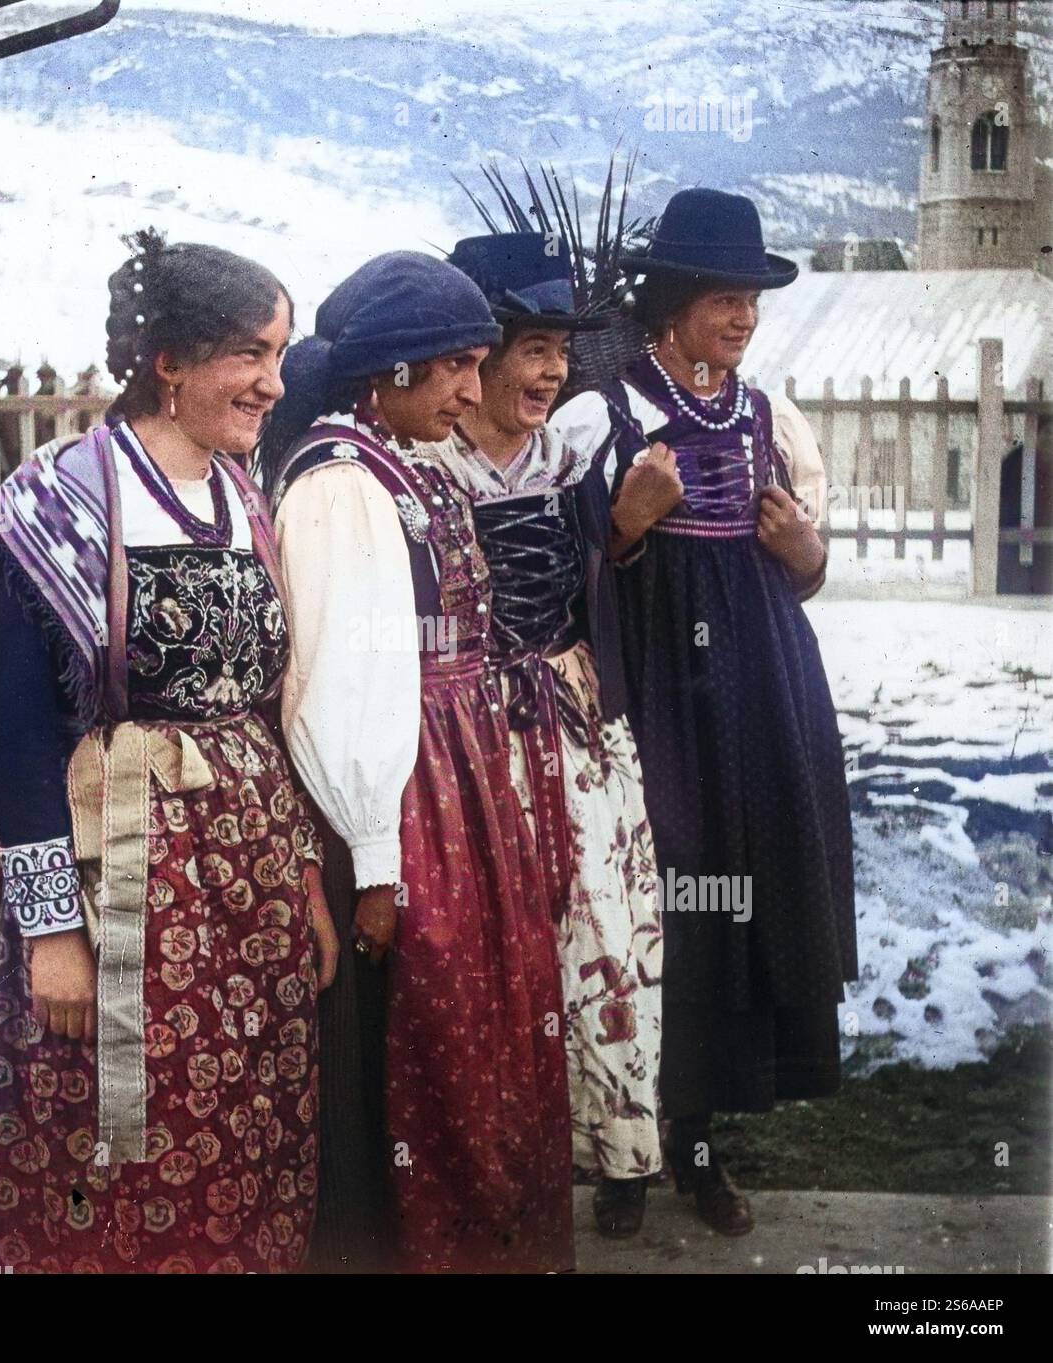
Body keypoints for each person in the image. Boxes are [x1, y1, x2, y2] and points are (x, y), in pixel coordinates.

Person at [0, 229, 337, 1272]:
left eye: (280, 355)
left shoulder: (245, 494)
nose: (274, 384)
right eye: (253, 356)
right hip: (119, 885)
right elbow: (11, 737)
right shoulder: (57, 503)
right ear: (171, 362)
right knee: (110, 1138)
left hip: (252, 885)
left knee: (249, 1134)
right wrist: (52, 931)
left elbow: (267, 709)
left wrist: (308, 887)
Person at [260, 250, 575, 1273]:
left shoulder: (400, 468)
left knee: (459, 1028)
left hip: (448, 776)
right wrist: (376, 858)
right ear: (390, 373)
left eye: (477, 366)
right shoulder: (340, 486)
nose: (471, 393)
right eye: (451, 371)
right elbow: (334, 690)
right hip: (390, 795)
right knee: (393, 1032)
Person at [551, 188, 856, 1236]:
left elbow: (808, 566)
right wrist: (624, 527)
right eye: (722, 298)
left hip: (763, 690)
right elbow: (559, 576)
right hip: (655, 695)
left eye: (751, 300)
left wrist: (801, 555)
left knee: (737, 902)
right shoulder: (603, 416)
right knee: (659, 903)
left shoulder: (769, 418)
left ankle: (697, 1143)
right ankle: (626, 1157)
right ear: (672, 304)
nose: (741, 318)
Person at [426, 231, 663, 1239]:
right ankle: (501, 1160)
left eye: (560, 350)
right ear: (473, 360)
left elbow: (603, 584)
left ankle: (619, 1151)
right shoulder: (417, 472)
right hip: (468, 745)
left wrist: (629, 529)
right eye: (532, 348)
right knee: (498, 950)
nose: (552, 370)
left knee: (605, 933)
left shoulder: (572, 460)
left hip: (572, 723)